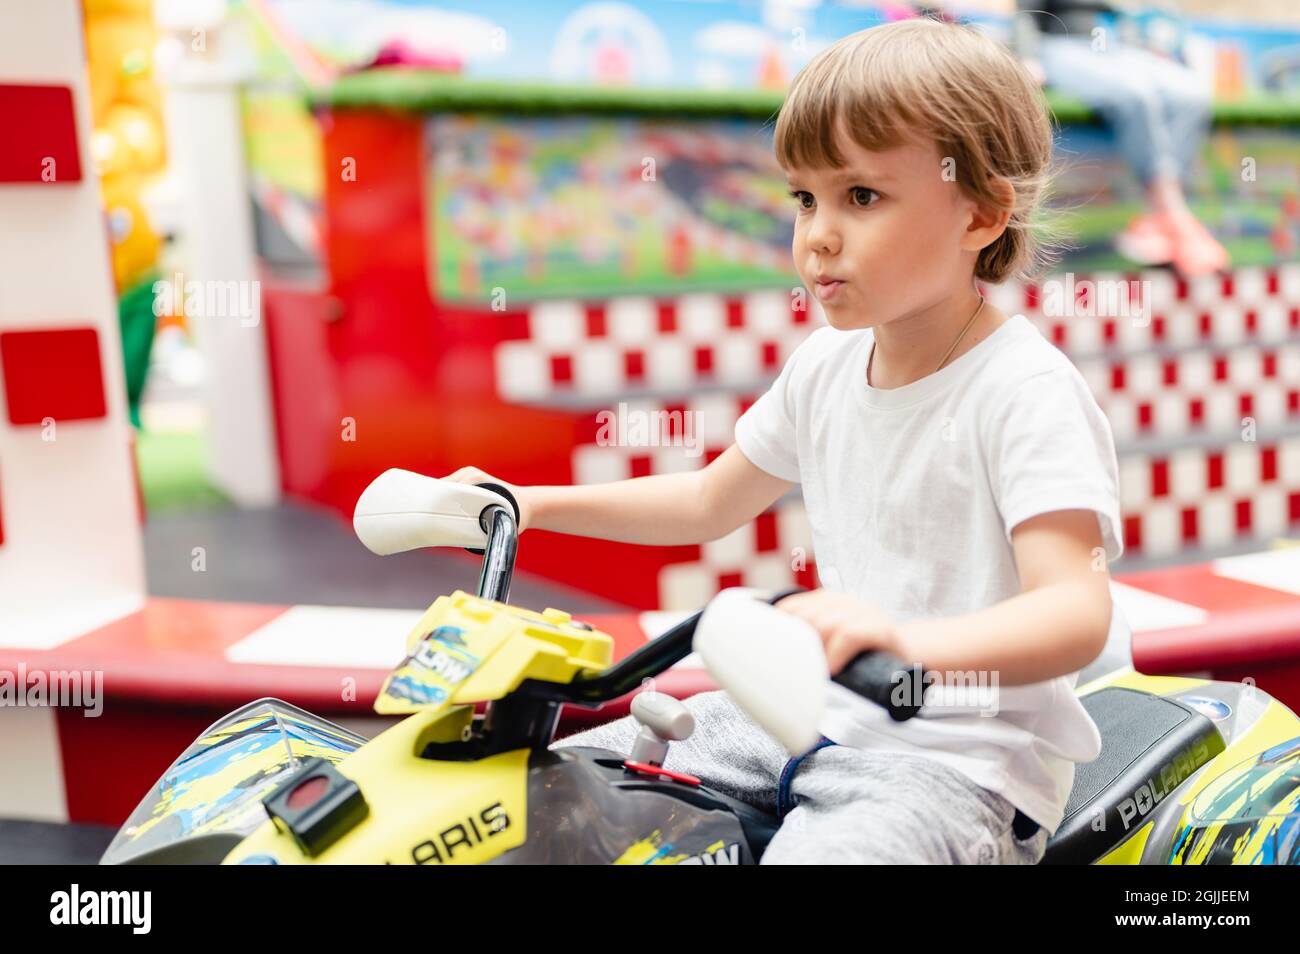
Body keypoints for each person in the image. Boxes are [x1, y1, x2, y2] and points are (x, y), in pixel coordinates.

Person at [446, 18, 1122, 864]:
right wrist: (525, 503)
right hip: (812, 715)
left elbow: (1074, 611)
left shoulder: (1024, 391)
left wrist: (907, 648)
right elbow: (707, 499)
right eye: (805, 198)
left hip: (956, 762)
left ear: (981, 213)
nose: (818, 235)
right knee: (549, 791)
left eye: (861, 197)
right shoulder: (828, 364)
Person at [1015, 0, 1228, 276]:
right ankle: (1174, 215)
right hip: (1062, 46)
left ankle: (1155, 220)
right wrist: (1027, 58)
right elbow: (1025, 14)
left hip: (1114, 48)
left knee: (1191, 92)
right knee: (1136, 95)